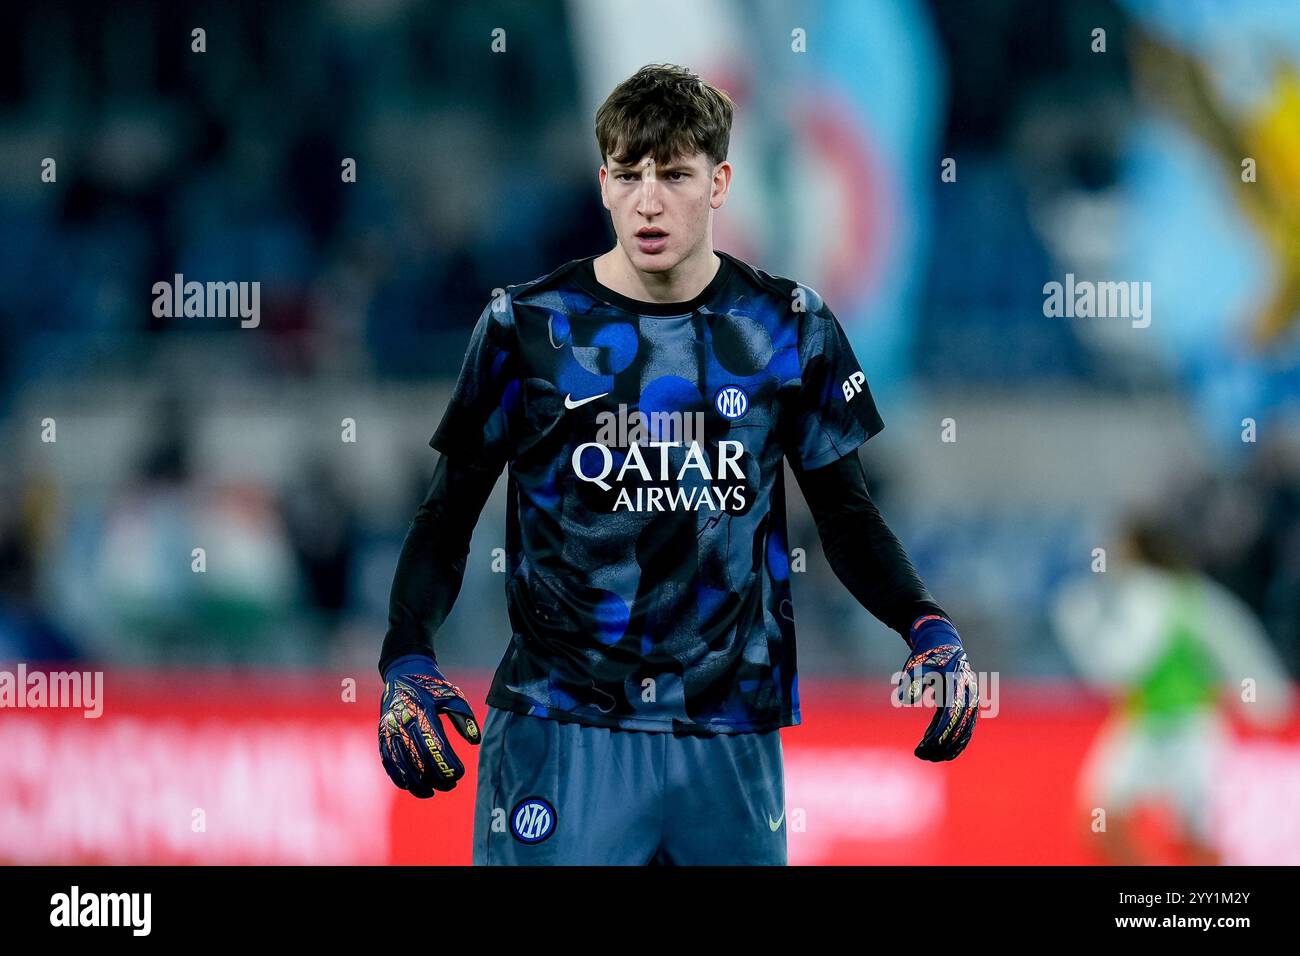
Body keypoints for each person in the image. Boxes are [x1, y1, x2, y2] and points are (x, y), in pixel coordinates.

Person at [377, 63, 977, 865]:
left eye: (675, 174)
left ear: (720, 181)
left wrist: (926, 626)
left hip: (727, 737)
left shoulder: (788, 327)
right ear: (602, 184)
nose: (649, 199)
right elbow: (445, 517)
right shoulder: (526, 327)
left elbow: (847, 513)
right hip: (563, 731)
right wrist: (407, 655)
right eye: (628, 174)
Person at [1052, 512, 1294, 865]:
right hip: (1161, 727)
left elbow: (1121, 667)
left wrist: (1080, 625)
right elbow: (1236, 641)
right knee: (1176, 834)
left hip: (1179, 729)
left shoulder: (1147, 594)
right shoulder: (1194, 593)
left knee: (1109, 824)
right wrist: (1266, 696)